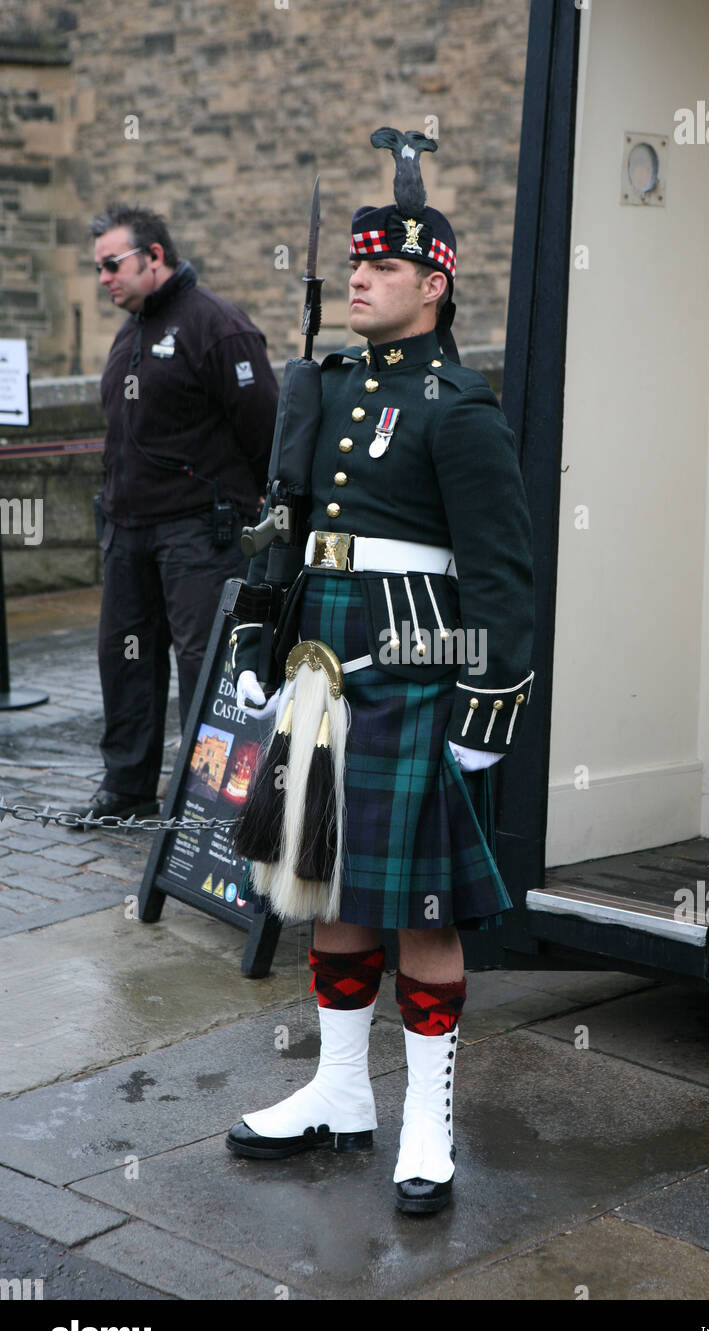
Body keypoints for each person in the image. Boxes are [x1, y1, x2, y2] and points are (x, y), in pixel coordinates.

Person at [226, 129, 534, 1213]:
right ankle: (341, 1090)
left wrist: (485, 709)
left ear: (434, 284)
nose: (358, 277)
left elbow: (501, 577)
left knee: (423, 904)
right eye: (355, 263)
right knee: (329, 884)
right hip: (321, 654)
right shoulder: (326, 382)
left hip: (413, 660)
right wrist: (261, 651)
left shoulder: (460, 409)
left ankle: (426, 1120)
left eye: (385, 265)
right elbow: (286, 525)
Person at [74, 204, 278, 822]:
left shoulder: (217, 326)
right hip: (128, 532)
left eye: (112, 264)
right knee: (125, 658)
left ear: (153, 257)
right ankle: (127, 788)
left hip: (200, 534)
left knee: (204, 668)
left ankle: (204, 802)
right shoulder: (129, 329)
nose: (104, 278)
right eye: (98, 268)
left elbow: (265, 430)